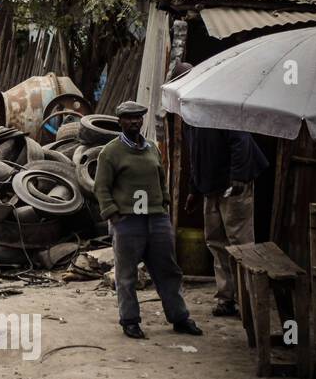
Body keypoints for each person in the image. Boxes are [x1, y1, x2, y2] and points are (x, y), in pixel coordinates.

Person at [93, 101, 202, 340]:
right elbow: (101, 188)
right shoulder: (110, 153)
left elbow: (161, 177)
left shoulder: (152, 148)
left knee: (169, 271)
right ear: (120, 121)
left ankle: (179, 318)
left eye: (138, 118)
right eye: (129, 118)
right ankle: (130, 321)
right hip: (129, 221)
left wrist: (163, 203)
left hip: (156, 220)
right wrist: (113, 215)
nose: (134, 122)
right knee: (127, 274)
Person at [185, 124, 268, 317]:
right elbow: (194, 155)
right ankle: (226, 298)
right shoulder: (191, 119)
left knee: (241, 243)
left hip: (233, 184)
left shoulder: (220, 111)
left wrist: (239, 176)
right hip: (211, 185)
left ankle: (248, 300)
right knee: (215, 241)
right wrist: (193, 189)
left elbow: (242, 141)